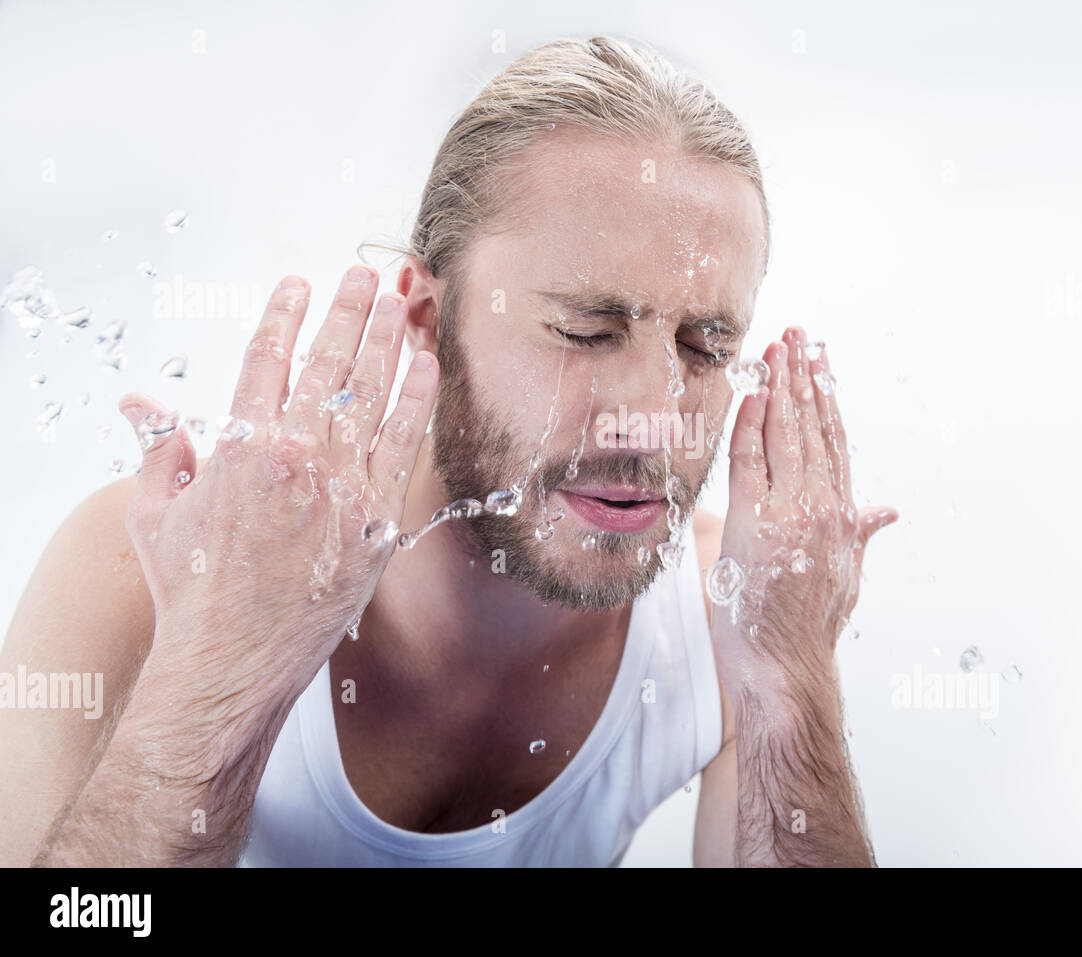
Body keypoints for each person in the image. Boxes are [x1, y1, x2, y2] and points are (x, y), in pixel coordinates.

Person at [0, 35, 897, 867]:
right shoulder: (167, 561)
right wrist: (222, 669)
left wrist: (792, 684)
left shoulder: (736, 616)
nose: (655, 419)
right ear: (428, 319)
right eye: (586, 331)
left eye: (703, 348)